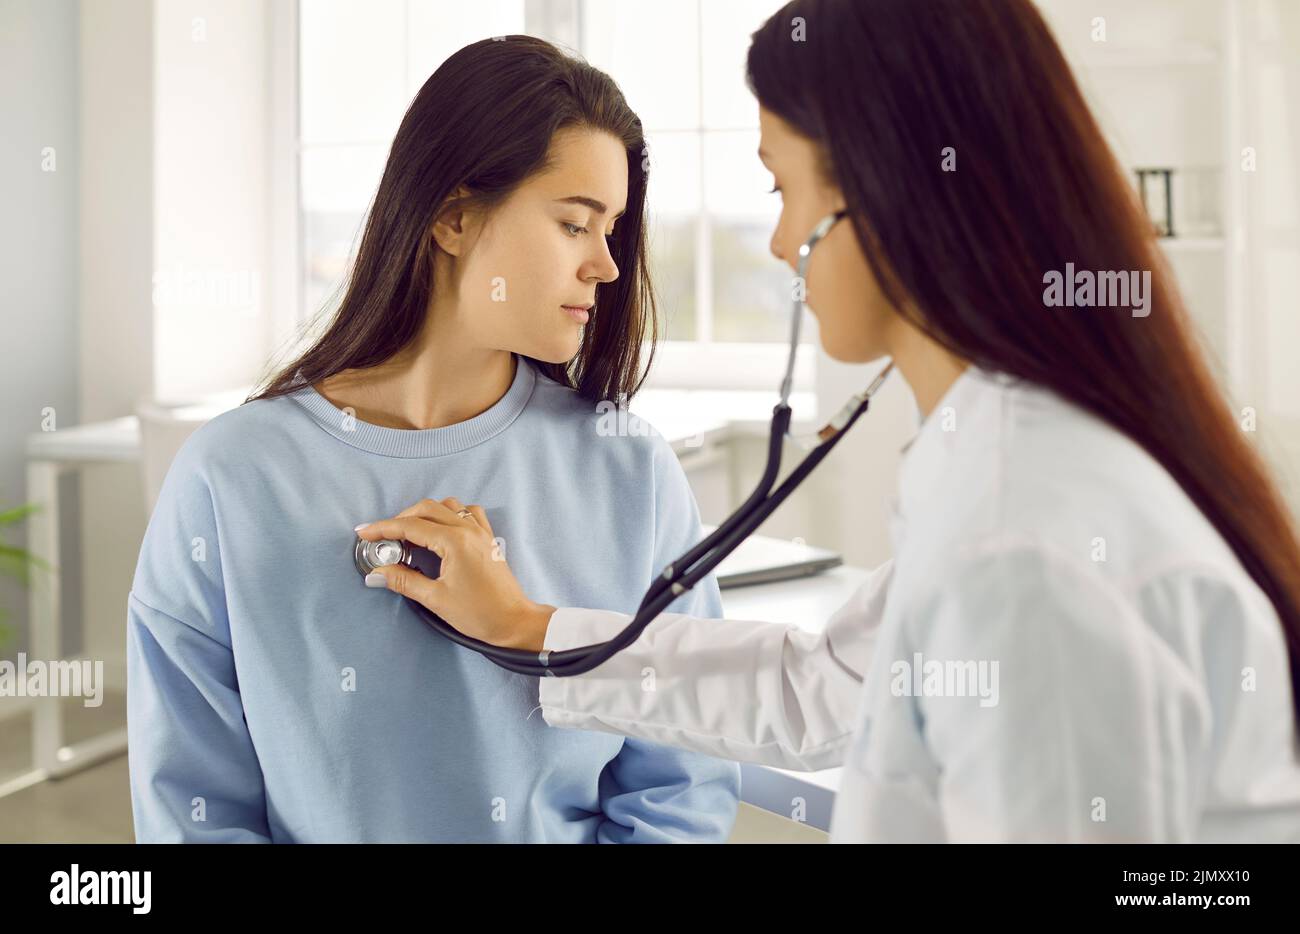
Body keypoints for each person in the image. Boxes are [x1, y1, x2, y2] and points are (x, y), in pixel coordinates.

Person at [356, 0, 1300, 842]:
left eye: (781, 188)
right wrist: (528, 628)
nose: (775, 239)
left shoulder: (1021, 547)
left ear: (882, 190)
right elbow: (820, 689)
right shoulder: (994, 464)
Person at [126, 36, 740, 843]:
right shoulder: (230, 478)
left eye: (612, 231)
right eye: (573, 224)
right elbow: (191, 806)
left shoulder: (632, 469)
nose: (607, 266)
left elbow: (681, 785)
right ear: (452, 217)